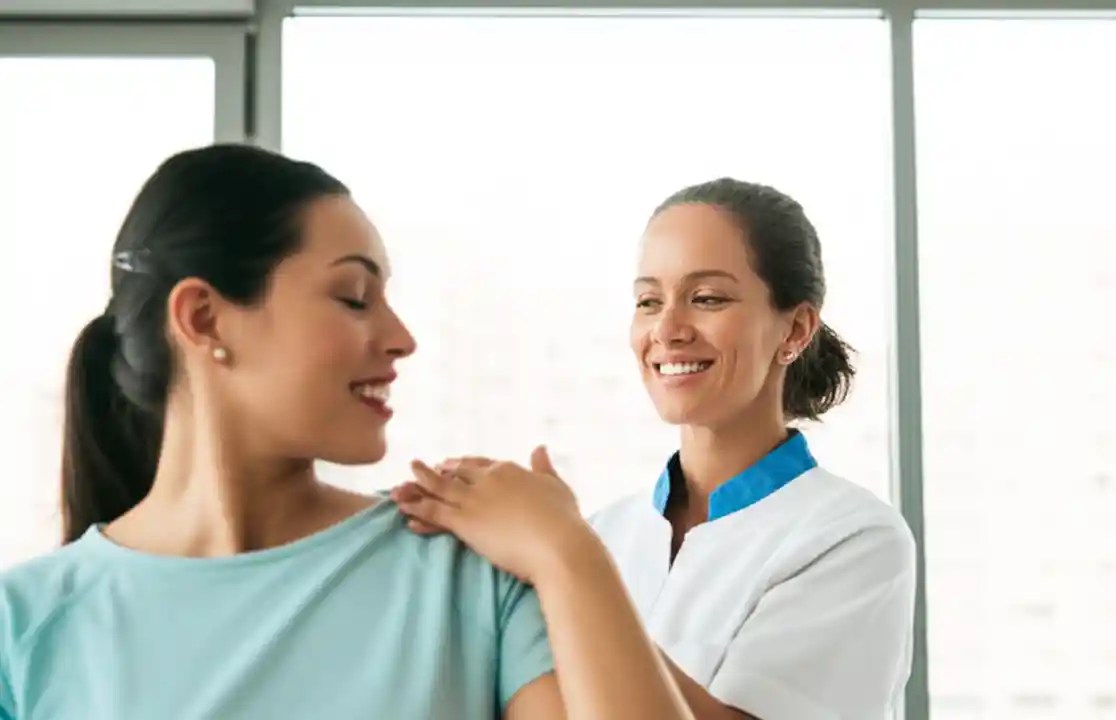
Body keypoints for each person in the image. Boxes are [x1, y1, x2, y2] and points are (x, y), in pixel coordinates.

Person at [0, 144, 692, 720]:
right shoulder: (22, 626)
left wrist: (570, 555)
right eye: (354, 298)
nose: (401, 338)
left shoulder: (470, 573)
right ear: (206, 319)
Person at [394, 178, 916, 719]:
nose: (667, 329)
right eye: (648, 301)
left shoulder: (853, 538)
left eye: (707, 298)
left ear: (796, 329)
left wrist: (563, 559)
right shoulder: (603, 533)